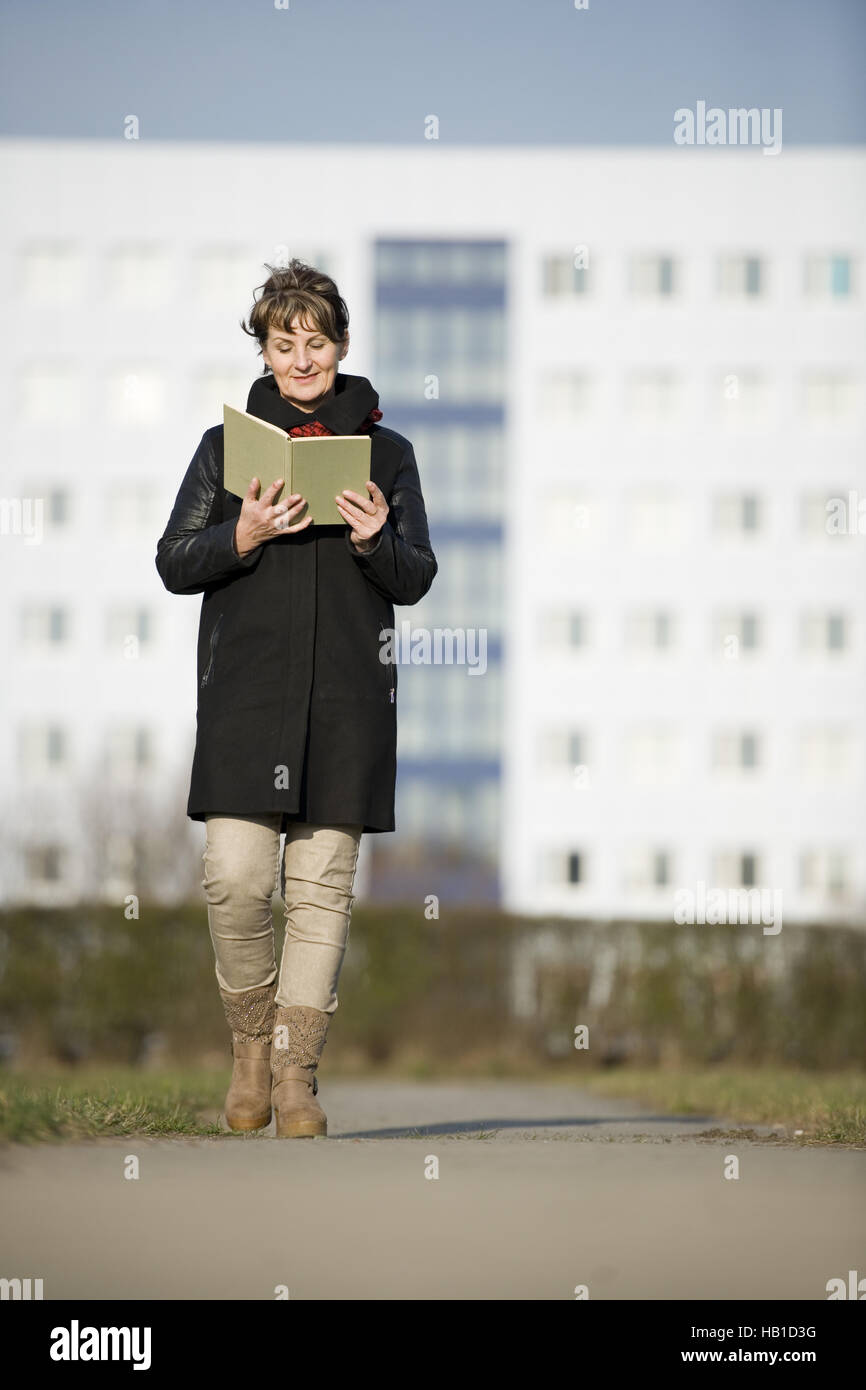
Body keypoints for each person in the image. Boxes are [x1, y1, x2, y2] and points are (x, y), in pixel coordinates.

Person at [155, 259, 437, 1137]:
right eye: (286, 344)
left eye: (317, 342)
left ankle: (293, 1078)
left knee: (320, 893)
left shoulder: (387, 455)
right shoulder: (224, 451)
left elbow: (417, 576)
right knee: (236, 880)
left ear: (342, 345)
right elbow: (173, 559)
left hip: (347, 706)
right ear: (266, 352)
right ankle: (246, 1050)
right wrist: (237, 533)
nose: (303, 359)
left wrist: (375, 538)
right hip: (245, 702)